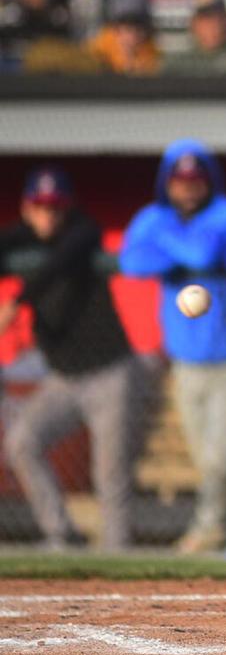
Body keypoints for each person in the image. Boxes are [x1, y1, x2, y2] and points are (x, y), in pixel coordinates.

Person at [119, 140, 226, 554]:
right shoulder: (155, 216)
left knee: (224, 461)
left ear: (209, 180)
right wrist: (174, 241)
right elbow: (131, 262)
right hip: (186, 363)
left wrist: (165, 242)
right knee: (211, 465)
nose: (188, 186)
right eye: (179, 179)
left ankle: (207, 532)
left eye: (196, 178)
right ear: (166, 183)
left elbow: (202, 253)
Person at [0, 167, 140, 551]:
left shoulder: (83, 231)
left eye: (56, 207)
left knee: (110, 474)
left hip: (110, 371)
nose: (49, 215)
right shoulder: (20, 237)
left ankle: (116, 555)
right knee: (22, 442)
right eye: (40, 207)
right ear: (27, 209)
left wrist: (17, 301)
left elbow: (61, 261)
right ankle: (62, 533)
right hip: (62, 378)